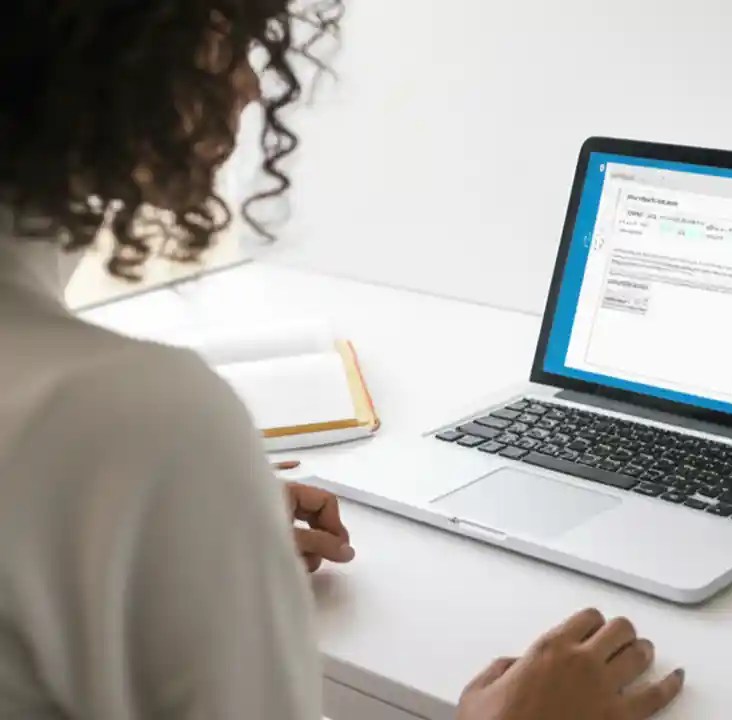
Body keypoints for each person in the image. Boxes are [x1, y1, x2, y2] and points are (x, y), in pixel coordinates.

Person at [0, 2, 684, 719]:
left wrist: (191, 524)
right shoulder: (132, 419)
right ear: (108, 55)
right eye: (228, 43)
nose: (251, 87)